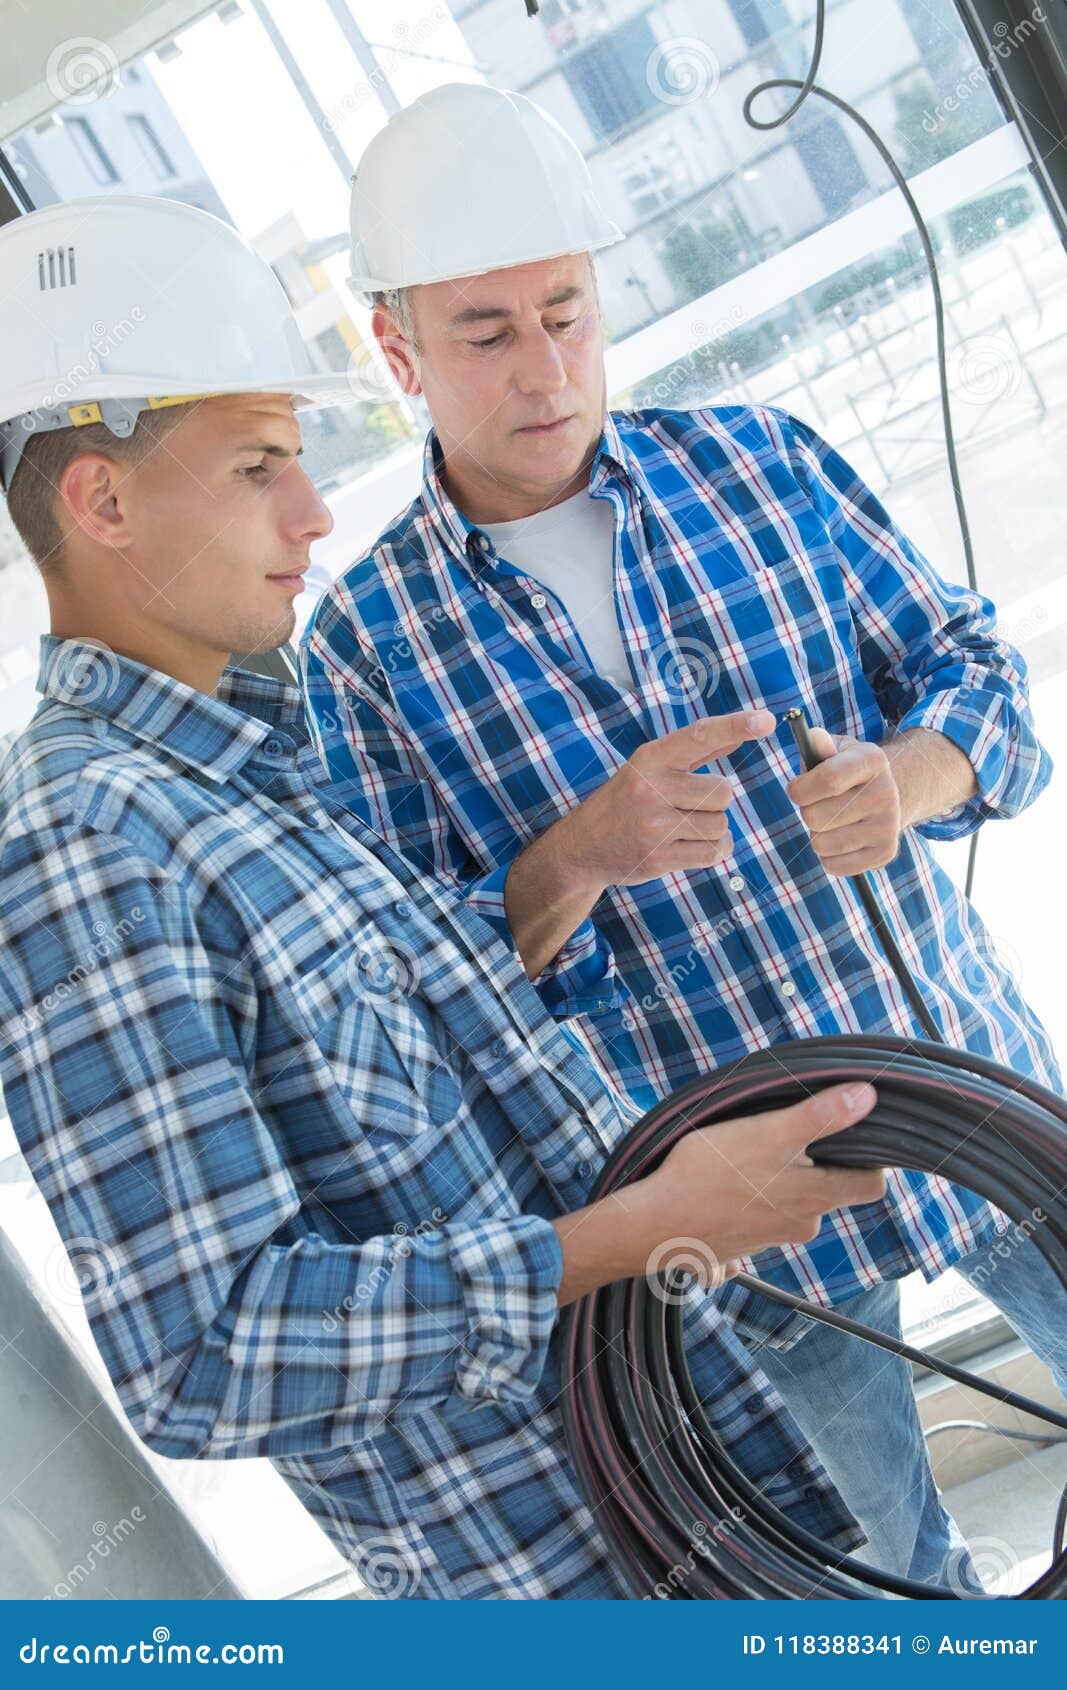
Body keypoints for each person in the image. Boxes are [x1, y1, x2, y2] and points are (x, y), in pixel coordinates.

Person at [0, 194, 887, 1602]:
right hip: (570, 1571)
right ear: (100, 502)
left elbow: (415, 1035)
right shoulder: (86, 846)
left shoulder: (243, 773)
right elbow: (202, 1346)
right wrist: (638, 1232)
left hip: (690, 1505)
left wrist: (581, 861)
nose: (315, 509)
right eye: (256, 470)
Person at [300, 81, 1066, 1589]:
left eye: (567, 311)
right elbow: (406, 1008)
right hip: (740, 1232)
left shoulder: (762, 467)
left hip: (980, 1107)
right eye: (487, 332)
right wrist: (578, 851)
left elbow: (990, 690)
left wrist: (913, 775)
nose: (548, 366)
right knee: (873, 1593)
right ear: (396, 349)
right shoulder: (366, 652)